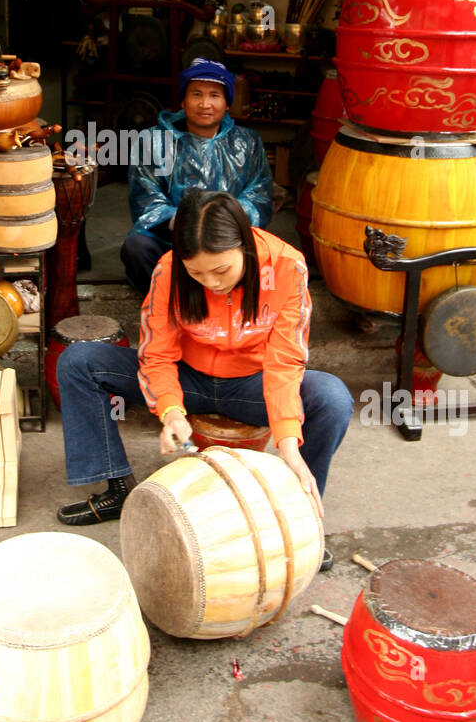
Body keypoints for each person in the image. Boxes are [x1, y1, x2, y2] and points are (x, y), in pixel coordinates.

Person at [57, 189, 351, 569]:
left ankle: (298, 519)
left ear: (244, 246)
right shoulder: (167, 270)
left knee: (332, 396)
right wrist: (171, 412)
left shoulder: (286, 266)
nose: (210, 283)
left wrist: (289, 443)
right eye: (196, 273)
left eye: (222, 270)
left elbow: (285, 361)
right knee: (79, 361)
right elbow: (157, 353)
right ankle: (115, 486)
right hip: (189, 380)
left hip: (252, 385)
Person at [120, 58, 273, 295]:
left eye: (214, 95)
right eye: (196, 94)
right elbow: (145, 198)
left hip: (228, 238)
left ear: (227, 103)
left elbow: (259, 195)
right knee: (136, 247)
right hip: (174, 238)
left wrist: (221, 224)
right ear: (183, 100)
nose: (205, 104)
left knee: (267, 250)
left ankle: (227, 303)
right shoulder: (154, 141)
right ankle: (167, 303)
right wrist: (186, 223)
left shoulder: (247, 142)